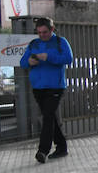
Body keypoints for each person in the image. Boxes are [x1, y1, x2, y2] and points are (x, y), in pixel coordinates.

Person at [20, 16, 74, 162]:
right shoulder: (33, 44)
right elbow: (23, 61)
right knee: (50, 118)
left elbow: (68, 59)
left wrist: (49, 57)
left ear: (51, 29)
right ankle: (62, 147)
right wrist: (29, 62)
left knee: (48, 116)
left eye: (44, 32)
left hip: (55, 87)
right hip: (38, 87)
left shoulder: (60, 42)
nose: (42, 35)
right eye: (39, 32)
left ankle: (43, 150)